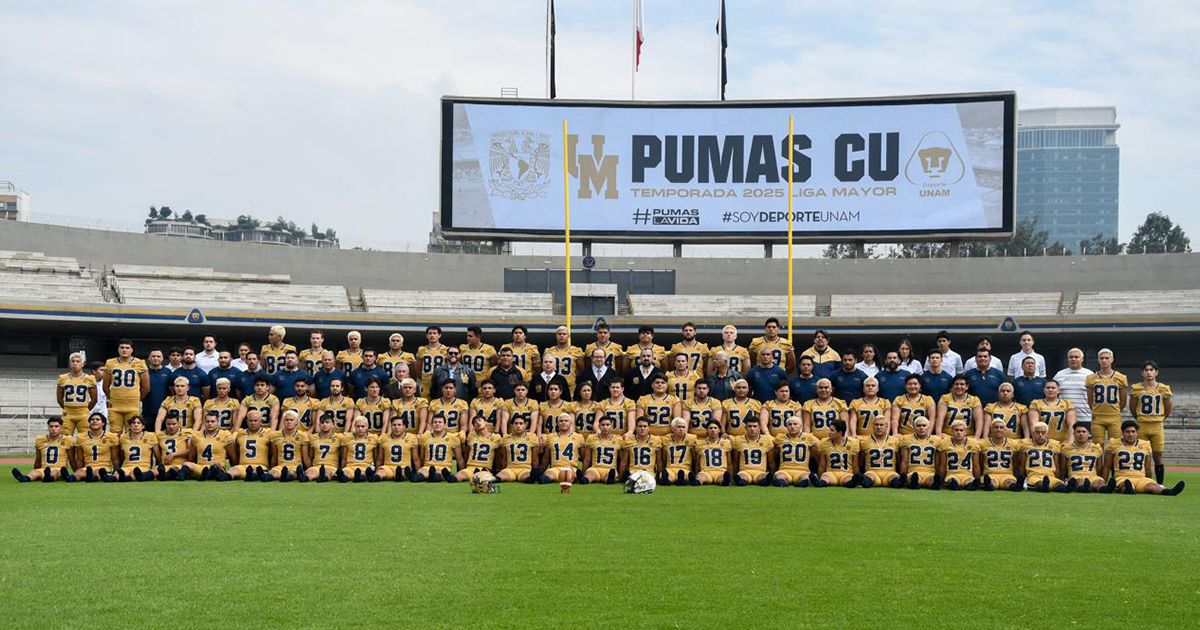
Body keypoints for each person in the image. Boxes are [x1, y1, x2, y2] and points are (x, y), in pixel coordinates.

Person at [1105, 420, 1184, 496]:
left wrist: (1149, 480)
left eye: (1133, 431)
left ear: (1137, 433)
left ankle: (1168, 491)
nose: (1131, 434)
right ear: (1122, 433)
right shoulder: (1114, 443)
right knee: (1125, 484)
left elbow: (1148, 468)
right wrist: (1104, 484)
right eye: (1127, 432)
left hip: (1140, 477)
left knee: (1151, 486)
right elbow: (1107, 466)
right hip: (1121, 477)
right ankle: (1129, 489)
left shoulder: (1145, 444)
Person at [1129, 360, 1172, 484]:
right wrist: (1139, 418)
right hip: (1142, 424)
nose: (1148, 372)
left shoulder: (1164, 388)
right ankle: (1144, 481)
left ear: (1156, 372)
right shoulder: (1136, 388)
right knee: (1142, 455)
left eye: (1151, 370)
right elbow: (1133, 407)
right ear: (1142, 372)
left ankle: (1160, 484)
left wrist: (1160, 418)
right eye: (1146, 370)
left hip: (1157, 425)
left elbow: (1168, 408)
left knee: (1158, 456)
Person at [103, 338, 149, 435]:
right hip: (115, 405)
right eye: (122, 347)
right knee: (114, 435)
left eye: (127, 348)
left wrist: (137, 398)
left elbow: (146, 387)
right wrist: (112, 398)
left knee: (131, 433)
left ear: (132, 350)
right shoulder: (110, 363)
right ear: (118, 349)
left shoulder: (140, 363)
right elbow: (105, 386)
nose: (124, 350)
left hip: (132, 404)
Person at [12, 417, 75, 483]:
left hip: (59, 469)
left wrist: (74, 474)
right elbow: (38, 459)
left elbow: (71, 459)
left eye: (56, 426)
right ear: (48, 427)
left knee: (55, 472)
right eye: (51, 426)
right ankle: (25, 478)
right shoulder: (40, 440)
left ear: (61, 427)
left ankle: (49, 478)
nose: (53, 429)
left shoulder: (67, 440)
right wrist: (36, 469)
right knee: (35, 472)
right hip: (44, 469)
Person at [1086, 348, 1128, 445]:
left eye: (1106, 358)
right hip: (1098, 416)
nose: (1104, 360)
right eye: (1102, 358)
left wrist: (1116, 411)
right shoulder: (1091, 378)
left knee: (1114, 445)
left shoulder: (1121, 377)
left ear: (1112, 360)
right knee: (1097, 446)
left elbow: (1123, 401)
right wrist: (1096, 410)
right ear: (1098, 360)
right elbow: (1090, 400)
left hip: (1114, 416)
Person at [71, 412, 119, 482]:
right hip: (88, 467)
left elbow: (115, 458)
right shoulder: (81, 437)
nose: (94, 421)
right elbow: (79, 459)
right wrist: (77, 470)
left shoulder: (111, 437)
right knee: (79, 473)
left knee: (98, 472)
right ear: (89, 423)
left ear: (103, 423)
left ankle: (93, 478)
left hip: (104, 467)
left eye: (97, 419)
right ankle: (71, 478)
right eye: (92, 420)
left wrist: (116, 470)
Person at [57, 352, 97, 435]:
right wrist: (67, 407)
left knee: (84, 438)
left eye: (78, 361)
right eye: (73, 361)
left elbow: (94, 399)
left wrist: (85, 409)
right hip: (68, 413)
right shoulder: (63, 378)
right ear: (69, 363)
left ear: (83, 364)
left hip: (83, 413)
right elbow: (59, 398)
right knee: (66, 438)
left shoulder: (89, 378)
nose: (75, 363)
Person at [188, 410, 235, 481]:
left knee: (215, 466)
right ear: (204, 422)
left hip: (218, 467)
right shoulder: (196, 435)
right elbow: (192, 457)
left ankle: (207, 475)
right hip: (201, 467)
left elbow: (232, 456)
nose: (210, 424)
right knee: (187, 464)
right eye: (207, 421)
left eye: (212, 421)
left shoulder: (225, 435)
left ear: (217, 422)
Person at [1053, 348, 1093, 430]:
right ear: (1067, 359)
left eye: (1076, 357)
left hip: (1085, 417)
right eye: (1071, 357)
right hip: (1063, 418)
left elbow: (1094, 396)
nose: (1073, 359)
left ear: (1082, 359)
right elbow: (1053, 395)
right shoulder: (1059, 375)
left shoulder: (1090, 374)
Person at [772, 416, 819, 487]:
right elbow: (775, 453)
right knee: (779, 476)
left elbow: (818, 452)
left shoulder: (809, 437)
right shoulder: (779, 438)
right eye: (790, 424)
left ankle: (803, 482)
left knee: (806, 477)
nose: (792, 426)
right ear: (786, 426)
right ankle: (782, 482)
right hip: (784, 470)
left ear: (801, 426)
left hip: (802, 470)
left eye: (795, 424)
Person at [1020, 421, 1066, 492]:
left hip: (1050, 475)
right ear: (1033, 433)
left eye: (1043, 432)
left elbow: (1057, 465)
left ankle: (1065, 487)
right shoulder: (1025, 444)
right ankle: (1044, 486)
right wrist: (1022, 478)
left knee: (1060, 486)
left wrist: (1058, 477)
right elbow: (1022, 465)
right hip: (1033, 476)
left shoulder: (1054, 444)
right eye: (1037, 432)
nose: (1040, 435)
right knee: (1039, 485)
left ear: (1047, 434)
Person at [227, 410, 273, 481]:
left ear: (261, 421)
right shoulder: (240, 433)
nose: (253, 423)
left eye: (255, 420)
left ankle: (252, 475)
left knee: (256, 471)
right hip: (243, 466)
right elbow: (236, 451)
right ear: (247, 422)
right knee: (231, 472)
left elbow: (273, 451)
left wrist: (271, 466)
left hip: (261, 466)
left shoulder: (268, 433)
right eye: (250, 420)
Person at [816, 419, 863, 488]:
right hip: (831, 473)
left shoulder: (853, 443)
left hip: (846, 473)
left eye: (832, 430)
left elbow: (855, 465)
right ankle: (820, 483)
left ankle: (852, 483)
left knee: (849, 479)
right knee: (825, 477)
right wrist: (820, 477)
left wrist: (856, 475)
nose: (829, 432)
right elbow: (822, 465)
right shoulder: (824, 442)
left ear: (840, 433)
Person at [1061, 424, 1107, 493]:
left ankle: (1104, 489)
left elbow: (1099, 468)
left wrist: (1100, 478)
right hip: (1076, 476)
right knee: (1080, 481)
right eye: (1078, 432)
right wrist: (1063, 480)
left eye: (1084, 431)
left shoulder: (1096, 448)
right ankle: (1084, 488)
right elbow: (1063, 468)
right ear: (1074, 434)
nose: (1081, 434)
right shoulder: (1066, 448)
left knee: (1099, 482)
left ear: (1088, 434)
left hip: (1092, 476)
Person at [265, 410, 309, 482]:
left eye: (291, 420)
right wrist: (272, 467)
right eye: (287, 420)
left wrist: (308, 469)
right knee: (274, 472)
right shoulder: (275, 435)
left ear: (296, 422)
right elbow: (274, 456)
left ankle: (286, 477)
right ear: (283, 421)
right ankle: (267, 476)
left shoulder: (302, 435)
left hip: (295, 466)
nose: (289, 422)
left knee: (292, 473)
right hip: (281, 466)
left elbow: (306, 458)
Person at [980, 419, 1022, 491]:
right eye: (996, 427)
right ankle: (989, 485)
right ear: (991, 429)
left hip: (1007, 474)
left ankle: (1015, 486)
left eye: (1001, 427)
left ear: (1005, 429)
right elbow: (980, 461)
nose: (999, 430)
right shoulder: (983, 444)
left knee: (1010, 482)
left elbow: (1015, 463)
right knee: (992, 483)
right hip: (990, 473)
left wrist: (1017, 475)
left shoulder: (1013, 444)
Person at [455, 414, 501, 481]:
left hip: (485, 467)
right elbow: (467, 452)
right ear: (474, 427)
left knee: (484, 477)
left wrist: (497, 470)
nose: (477, 423)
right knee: (458, 476)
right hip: (470, 467)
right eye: (475, 422)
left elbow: (500, 455)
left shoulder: (496, 437)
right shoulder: (471, 436)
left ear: (486, 422)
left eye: (479, 420)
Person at [858, 416, 901, 488]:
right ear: (873, 425)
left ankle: (898, 482)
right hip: (872, 472)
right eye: (876, 424)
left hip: (890, 472)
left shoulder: (895, 441)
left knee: (894, 479)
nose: (879, 427)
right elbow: (861, 462)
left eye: (881, 425)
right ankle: (865, 481)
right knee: (869, 478)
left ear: (887, 426)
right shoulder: (865, 441)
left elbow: (899, 461)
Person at [1028, 379, 1075, 444]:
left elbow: (1072, 425)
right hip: (1044, 442)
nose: (1050, 390)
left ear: (1058, 390)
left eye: (1053, 388)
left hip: (1063, 442)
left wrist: (1070, 443)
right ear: (1044, 390)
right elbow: (1034, 424)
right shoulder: (1036, 403)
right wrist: (1037, 440)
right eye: (1048, 388)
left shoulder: (1067, 404)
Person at [898, 417, 940, 489]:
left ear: (929, 426)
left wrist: (939, 474)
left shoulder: (937, 440)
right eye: (918, 425)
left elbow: (938, 462)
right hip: (913, 471)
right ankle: (914, 483)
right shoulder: (906, 439)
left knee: (931, 480)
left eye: (924, 425)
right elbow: (904, 460)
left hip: (930, 472)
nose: (921, 428)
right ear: (913, 427)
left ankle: (934, 484)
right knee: (913, 478)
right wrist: (903, 475)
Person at [377, 416, 422, 482]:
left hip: (404, 467)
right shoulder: (384, 438)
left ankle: (399, 475)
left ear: (404, 426)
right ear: (391, 426)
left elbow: (416, 459)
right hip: (388, 467)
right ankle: (375, 477)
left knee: (403, 472)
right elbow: (379, 459)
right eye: (394, 425)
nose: (396, 427)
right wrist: (376, 470)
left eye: (399, 425)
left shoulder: (411, 438)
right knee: (380, 473)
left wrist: (418, 474)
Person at [542, 413, 584, 484]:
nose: (563, 423)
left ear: (570, 423)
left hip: (571, 467)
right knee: (546, 478)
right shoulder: (550, 437)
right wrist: (542, 469)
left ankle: (577, 477)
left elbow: (583, 456)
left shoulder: (578, 437)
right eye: (561, 421)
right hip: (555, 468)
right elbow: (546, 456)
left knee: (568, 476)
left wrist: (584, 471)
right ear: (557, 423)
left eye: (566, 421)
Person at [937, 420, 979, 490]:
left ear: (965, 432)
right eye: (956, 430)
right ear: (951, 431)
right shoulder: (944, 443)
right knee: (952, 481)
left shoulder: (973, 443)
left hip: (968, 475)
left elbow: (976, 465)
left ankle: (970, 485)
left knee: (970, 482)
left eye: (961, 430)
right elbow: (942, 465)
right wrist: (941, 480)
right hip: (951, 474)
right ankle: (954, 485)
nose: (959, 432)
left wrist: (977, 479)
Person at [304, 413, 346, 482]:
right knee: (311, 472)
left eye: (327, 422)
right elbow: (311, 456)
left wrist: (341, 468)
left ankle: (324, 477)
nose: (325, 424)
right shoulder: (313, 437)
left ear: (333, 424)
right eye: (322, 422)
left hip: (332, 466)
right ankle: (305, 478)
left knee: (328, 472)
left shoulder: (339, 437)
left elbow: (343, 457)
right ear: (319, 425)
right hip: (317, 466)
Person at [497, 415, 539, 483]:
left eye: (521, 423)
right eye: (516, 423)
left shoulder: (532, 438)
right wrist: (502, 469)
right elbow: (504, 458)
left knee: (529, 478)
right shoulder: (505, 439)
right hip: (510, 469)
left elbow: (535, 459)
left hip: (525, 469)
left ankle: (533, 477)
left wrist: (534, 469)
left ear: (525, 425)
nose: (518, 426)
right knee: (498, 477)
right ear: (512, 425)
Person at [581, 416, 622, 484]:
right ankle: (584, 479)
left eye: (607, 425)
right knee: (589, 475)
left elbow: (621, 459)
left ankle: (610, 479)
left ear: (612, 426)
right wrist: (583, 472)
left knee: (608, 476)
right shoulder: (591, 438)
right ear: (599, 426)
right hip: (595, 468)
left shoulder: (619, 439)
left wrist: (620, 476)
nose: (605, 427)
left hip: (609, 468)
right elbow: (587, 459)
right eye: (603, 425)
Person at [732, 419, 773, 486]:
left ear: (759, 428)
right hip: (744, 471)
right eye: (750, 426)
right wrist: (735, 473)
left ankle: (765, 481)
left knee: (763, 477)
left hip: (760, 471)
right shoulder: (738, 440)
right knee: (742, 477)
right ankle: (741, 481)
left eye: (755, 426)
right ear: (746, 428)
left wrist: (772, 473)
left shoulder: (766, 440)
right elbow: (735, 461)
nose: (752, 429)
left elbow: (771, 462)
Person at [341, 417, 382, 482]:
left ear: (367, 427)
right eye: (358, 426)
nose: (360, 429)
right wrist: (342, 469)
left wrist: (376, 469)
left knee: (367, 472)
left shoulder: (374, 438)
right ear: (354, 426)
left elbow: (375, 458)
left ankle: (360, 476)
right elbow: (344, 458)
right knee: (345, 473)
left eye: (363, 426)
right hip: (350, 467)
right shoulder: (347, 438)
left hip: (366, 466)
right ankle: (357, 477)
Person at [693, 420, 732, 486]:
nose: (713, 430)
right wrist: (697, 472)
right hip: (706, 472)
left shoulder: (726, 443)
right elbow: (697, 463)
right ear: (707, 430)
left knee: (722, 478)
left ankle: (725, 481)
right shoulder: (700, 443)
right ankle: (696, 482)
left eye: (715, 428)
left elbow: (729, 463)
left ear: (719, 430)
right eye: (710, 428)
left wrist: (731, 476)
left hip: (720, 471)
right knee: (700, 477)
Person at [659, 418, 697, 486]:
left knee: (684, 474)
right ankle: (668, 480)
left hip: (685, 468)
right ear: (672, 429)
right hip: (670, 468)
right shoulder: (665, 439)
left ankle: (681, 479)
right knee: (664, 475)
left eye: (683, 427)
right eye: (678, 427)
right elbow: (663, 457)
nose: (681, 429)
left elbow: (695, 456)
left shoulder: (692, 439)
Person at [156, 413, 192, 481]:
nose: (171, 426)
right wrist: (160, 461)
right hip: (165, 465)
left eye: (174, 424)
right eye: (168, 424)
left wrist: (173, 455)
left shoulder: (186, 433)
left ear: (179, 423)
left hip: (181, 465)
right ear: (165, 424)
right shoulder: (159, 435)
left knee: (174, 470)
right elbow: (157, 452)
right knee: (154, 471)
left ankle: (164, 476)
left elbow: (190, 450)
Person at [416, 326, 448, 400]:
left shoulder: (446, 349)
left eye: (434, 333)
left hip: (440, 382)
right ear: (427, 336)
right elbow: (418, 367)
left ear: (439, 335)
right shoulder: (422, 349)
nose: (432, 335)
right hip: (426, 383)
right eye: (430, 333)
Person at [143, 348, 173, 429]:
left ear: (162, 358)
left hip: (164, 411)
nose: (156, 358)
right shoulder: (144, 372)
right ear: (149, 358)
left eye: (158, 356)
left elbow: (172, 392)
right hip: (147, 411)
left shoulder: (168, 372)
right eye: (153, 356)